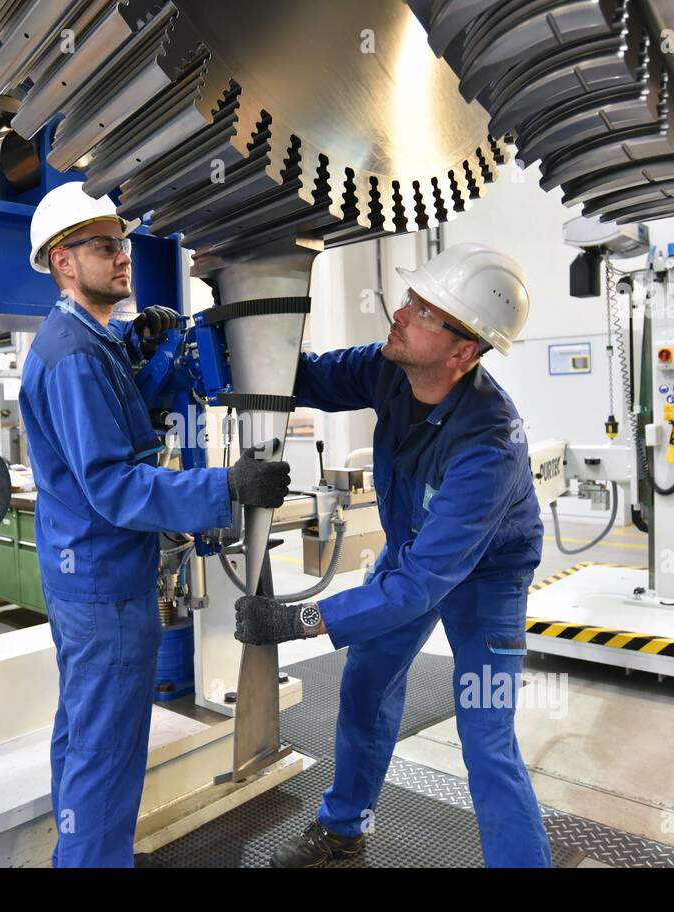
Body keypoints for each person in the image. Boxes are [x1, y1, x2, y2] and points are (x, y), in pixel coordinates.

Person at [233, 243, 552, 868]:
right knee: (366, 688)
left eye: (423, 310)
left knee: (486, 738)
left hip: (487, 582)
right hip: (412, 556)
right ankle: (344, 826)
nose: (400, 313)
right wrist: (215, 347)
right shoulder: (388, 368)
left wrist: (299, 621)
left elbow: (416, 589)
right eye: (410, 298)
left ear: (462, 352)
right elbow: (298, 375)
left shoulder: (490, 446)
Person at [20, 182, 291, 867]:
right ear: (62, 261)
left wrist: (149, 362)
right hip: (106, 580)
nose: (123, 257)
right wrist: (225, 486)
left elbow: (121, 430)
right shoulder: (77, 355)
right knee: (107, 754)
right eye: (104, 246)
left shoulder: (91, 342)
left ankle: (79, 855)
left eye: (122, 243)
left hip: (91, 572)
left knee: (87, 735)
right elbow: (113, 483)